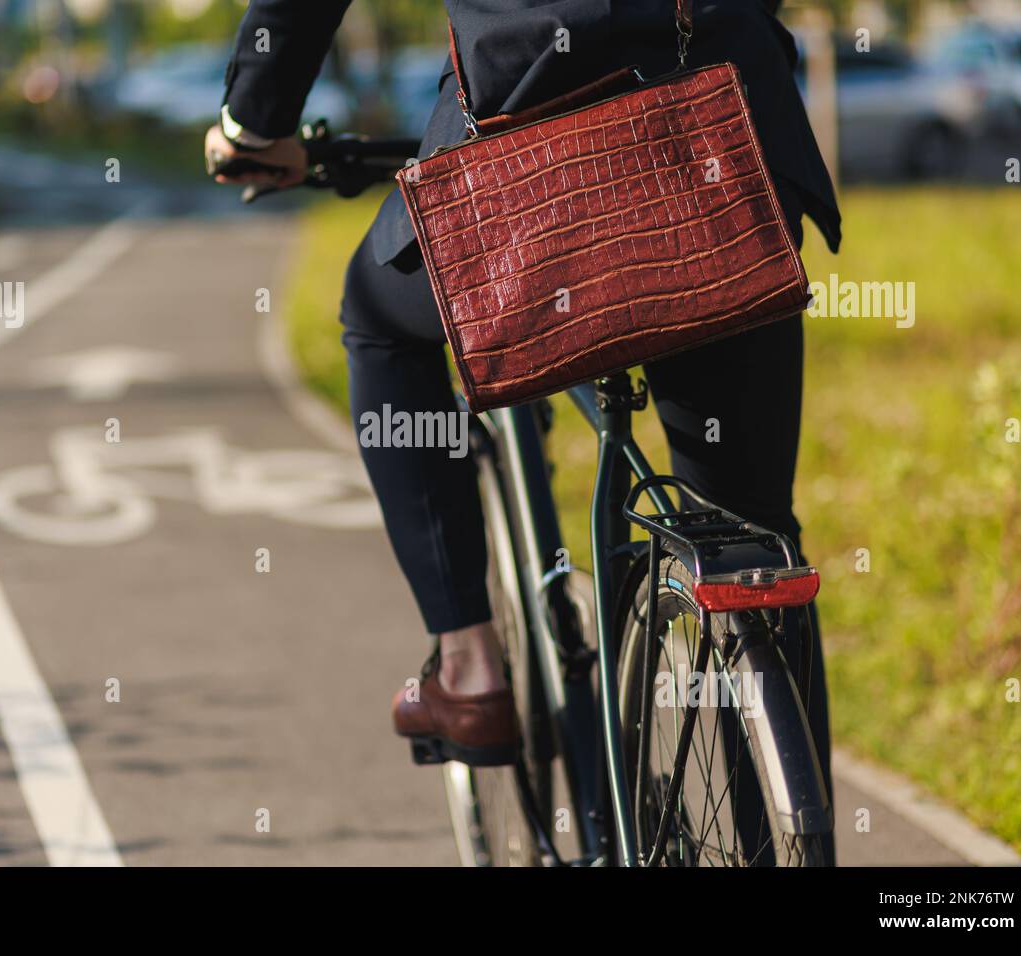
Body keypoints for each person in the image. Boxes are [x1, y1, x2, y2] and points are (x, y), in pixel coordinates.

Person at [206, 0, 839, 782]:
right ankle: (783, 815)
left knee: (377, 320)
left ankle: (469, 669)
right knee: (753, 543)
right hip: (725, 128)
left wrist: (252, 125)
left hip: (524, 147)